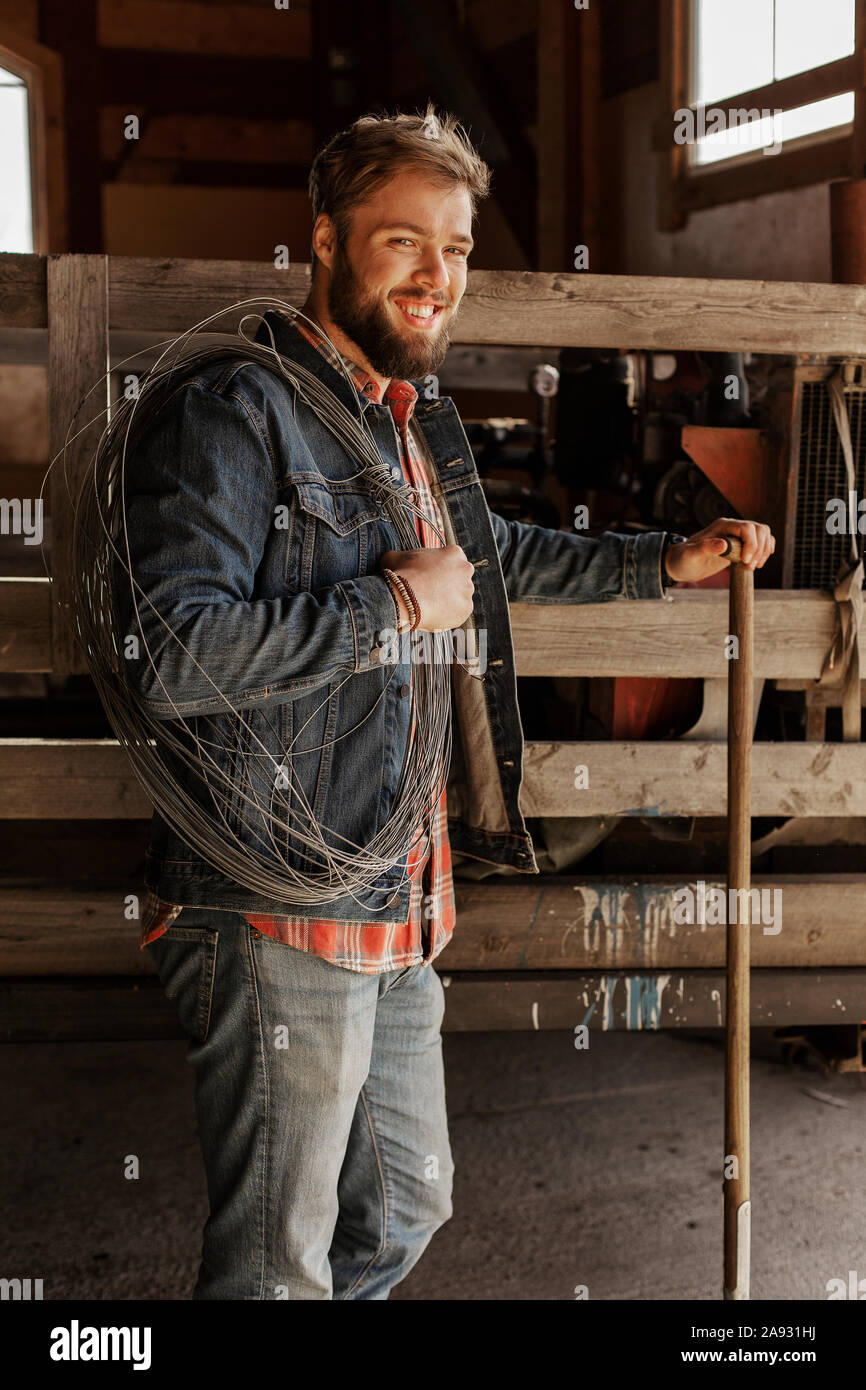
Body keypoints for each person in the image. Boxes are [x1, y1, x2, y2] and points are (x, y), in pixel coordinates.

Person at [118, 103, 775, 1300]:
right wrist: (388, 607)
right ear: (324, 242)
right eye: (402, 242)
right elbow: (171, 653)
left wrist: (654, 561)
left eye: (457, 247)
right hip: (277, 905)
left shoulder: (411, 422)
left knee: (410, 1202)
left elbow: (483, 557)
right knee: (275, 1265)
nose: (437, 275)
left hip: (397, 896)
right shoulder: (234, 411)